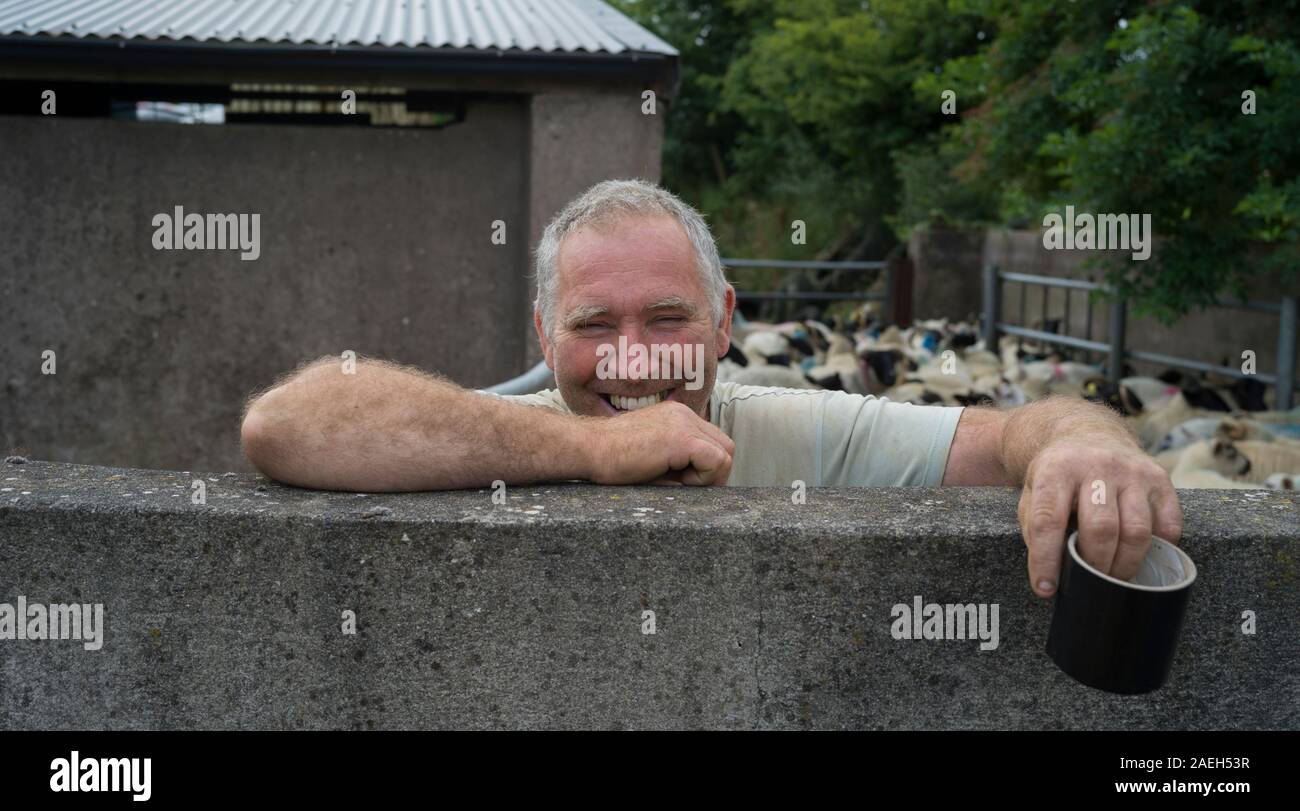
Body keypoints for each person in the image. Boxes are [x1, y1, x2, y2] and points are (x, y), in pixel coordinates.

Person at [240, 179, 1182, 600]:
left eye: (668, 318)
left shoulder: (808, 431)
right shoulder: (505, 433)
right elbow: (286, 424)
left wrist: (1082, 441)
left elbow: (1019, 427)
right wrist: (596, 450)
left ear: (727, 321)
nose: (635, 357)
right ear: (541, 335)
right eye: (593, 326)